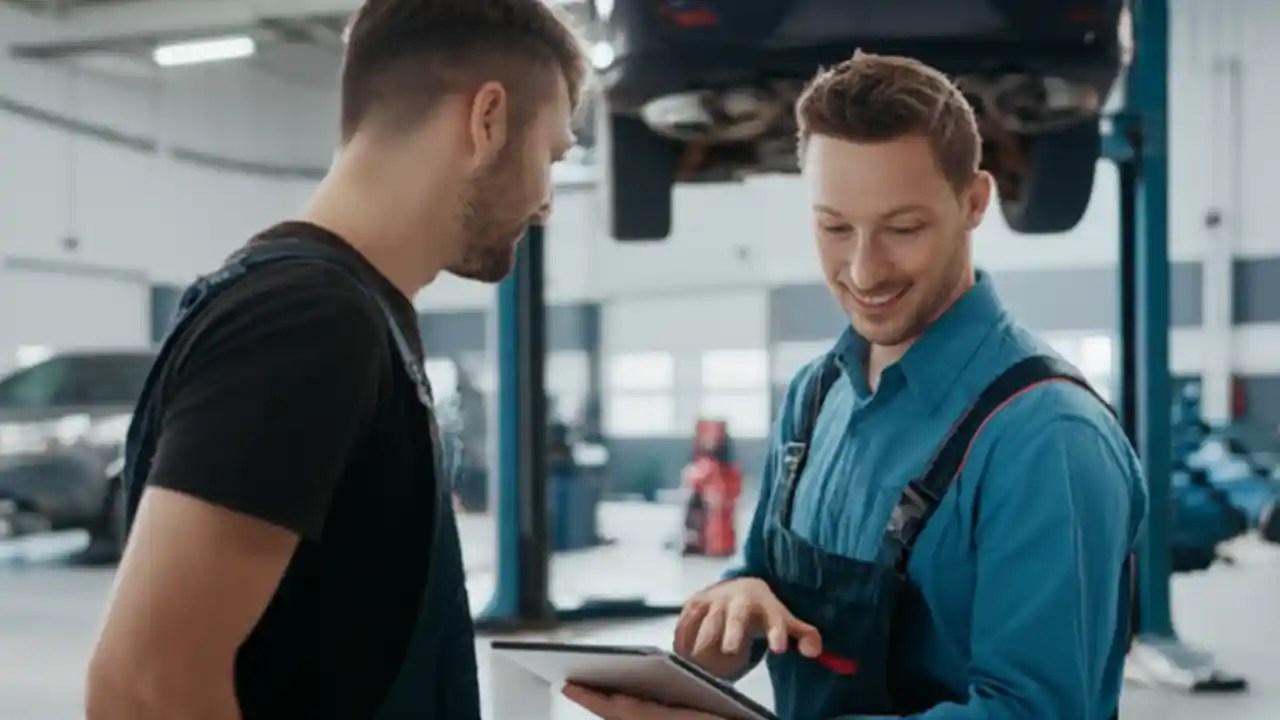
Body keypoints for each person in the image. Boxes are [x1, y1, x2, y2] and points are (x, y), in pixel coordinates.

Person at [567, 51, 1148, 720]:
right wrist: (740, 600)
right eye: (834, 227)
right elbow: (761, 568)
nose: (864, 270)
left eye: (903, 229)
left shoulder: (1045, 439)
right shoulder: (817, 396)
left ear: (974, 202)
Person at [84, 1, 585, 718]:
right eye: (554, 156)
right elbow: (144, 686)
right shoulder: (307, 319)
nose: (547, 202)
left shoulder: (355, 315)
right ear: (488, 120)